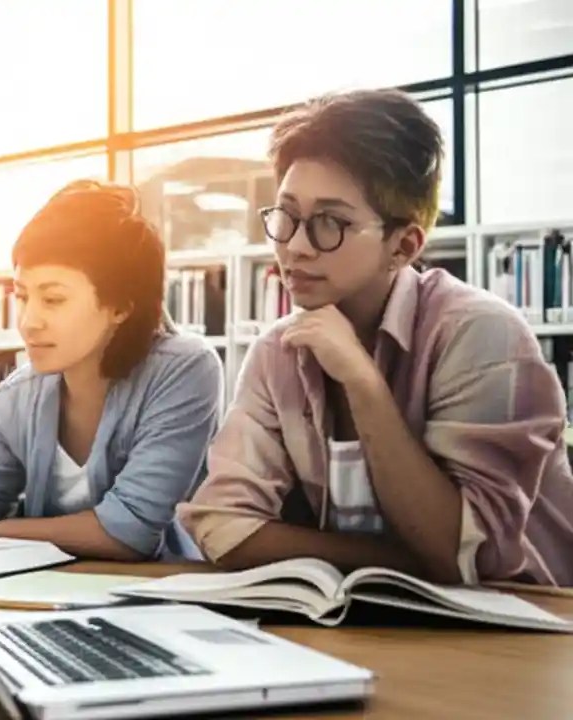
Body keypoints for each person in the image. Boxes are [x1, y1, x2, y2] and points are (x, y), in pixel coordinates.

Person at [179, 88, 573, 586]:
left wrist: (363, 383)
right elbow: (221, 525)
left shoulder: (480, 334)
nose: (295, 247)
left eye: (331, 223)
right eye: (286, 215)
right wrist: (392, 561)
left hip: (530, 618)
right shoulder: (279, 351)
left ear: (403, 246)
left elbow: (465, 557)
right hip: (376, 615)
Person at [0, 180, 224, 561]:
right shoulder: (16, 395)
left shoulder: (184, 370)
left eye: (53, 299)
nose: (28, 322)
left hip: (157, 588)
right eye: (22, 296)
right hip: (49, 586)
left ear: (120, 306)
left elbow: (130, 531)